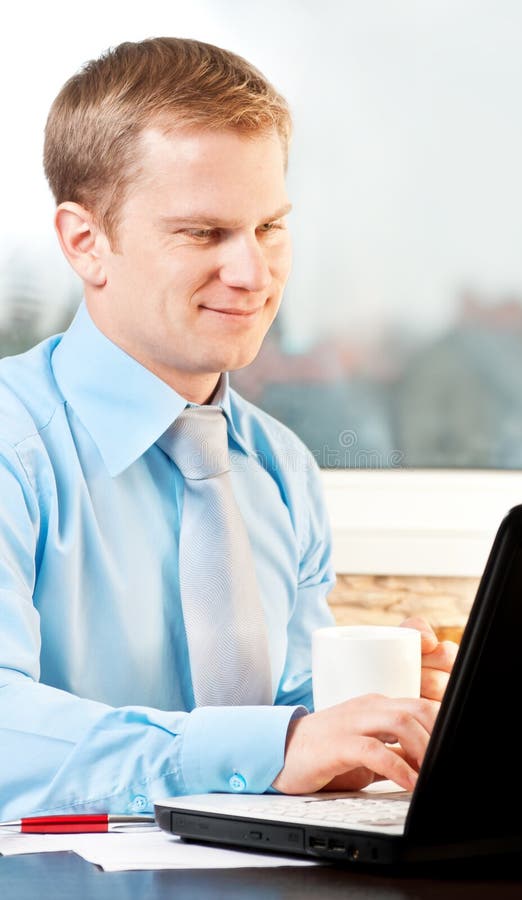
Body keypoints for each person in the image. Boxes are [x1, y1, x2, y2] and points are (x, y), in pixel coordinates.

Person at [0, 37, 457, 818]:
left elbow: (271, 713)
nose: (253, 274)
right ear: (86, 242)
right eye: (204, 234)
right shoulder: (16, 451)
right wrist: (273, 750)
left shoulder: (277, 467)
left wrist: (356, 719)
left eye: (270, 227)